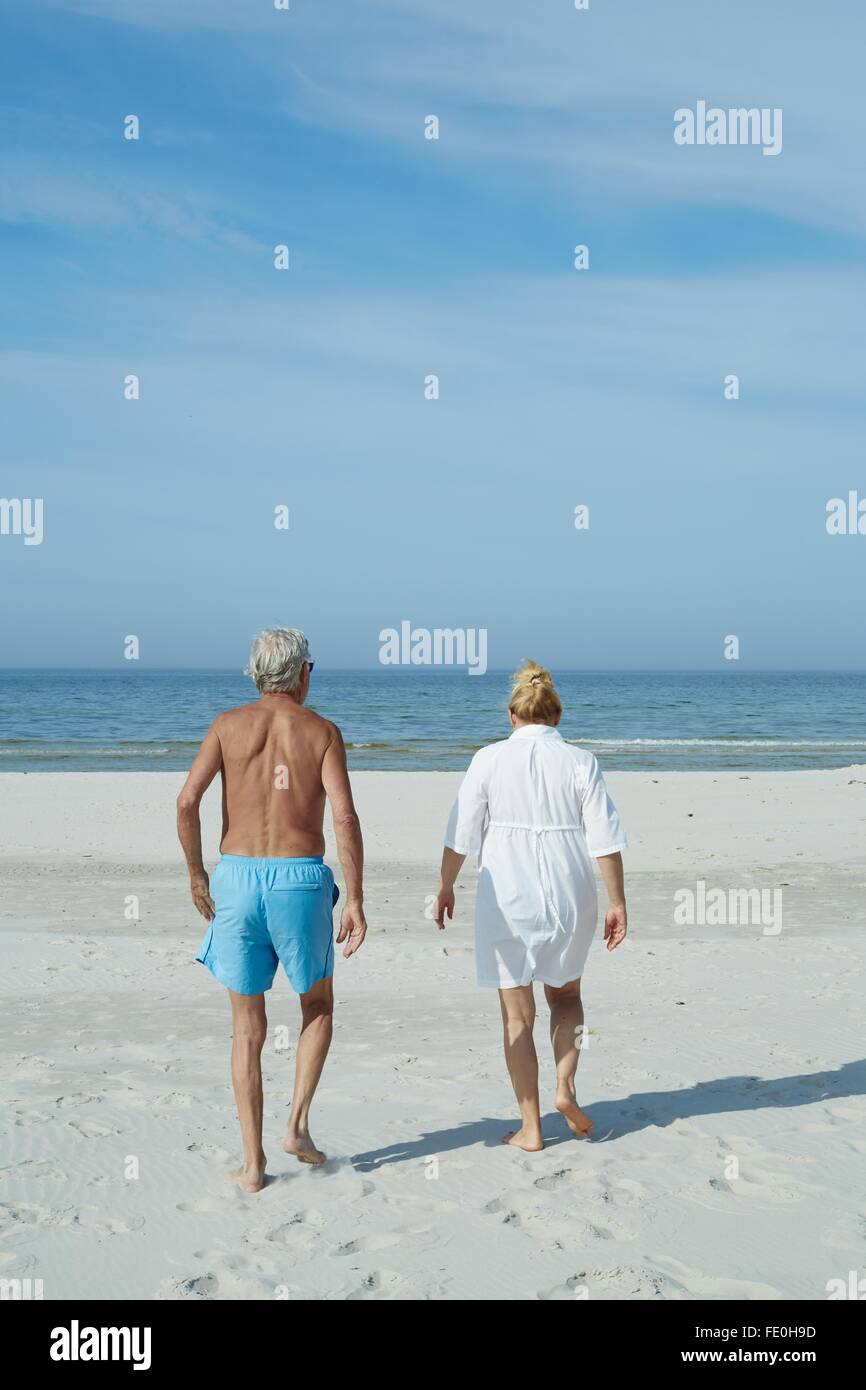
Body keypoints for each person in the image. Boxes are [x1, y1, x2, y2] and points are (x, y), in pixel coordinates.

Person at [176, 628, 367, 1191]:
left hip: (236, 877)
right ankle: (298, 1127)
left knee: (246, 1028)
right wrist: (354, 897)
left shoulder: (227, 725)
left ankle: (253, 1165)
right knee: (319, 1005)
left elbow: (188, 800)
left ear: (257, 674)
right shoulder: (322, 732)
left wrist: (196, 872)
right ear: (302, 673)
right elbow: (345, 819)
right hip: (300, 881)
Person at [433, 661, 627, 1152]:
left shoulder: (488, 759)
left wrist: (445, 887)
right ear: (557, 718)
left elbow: (461, 834)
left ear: (511, 716)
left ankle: (531, 1127)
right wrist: (618, 901)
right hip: (569, 892)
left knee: (517, 1018)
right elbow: (605, 840)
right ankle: (565, 1089)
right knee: (565, 999)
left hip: (507, 896)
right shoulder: (581, 761)